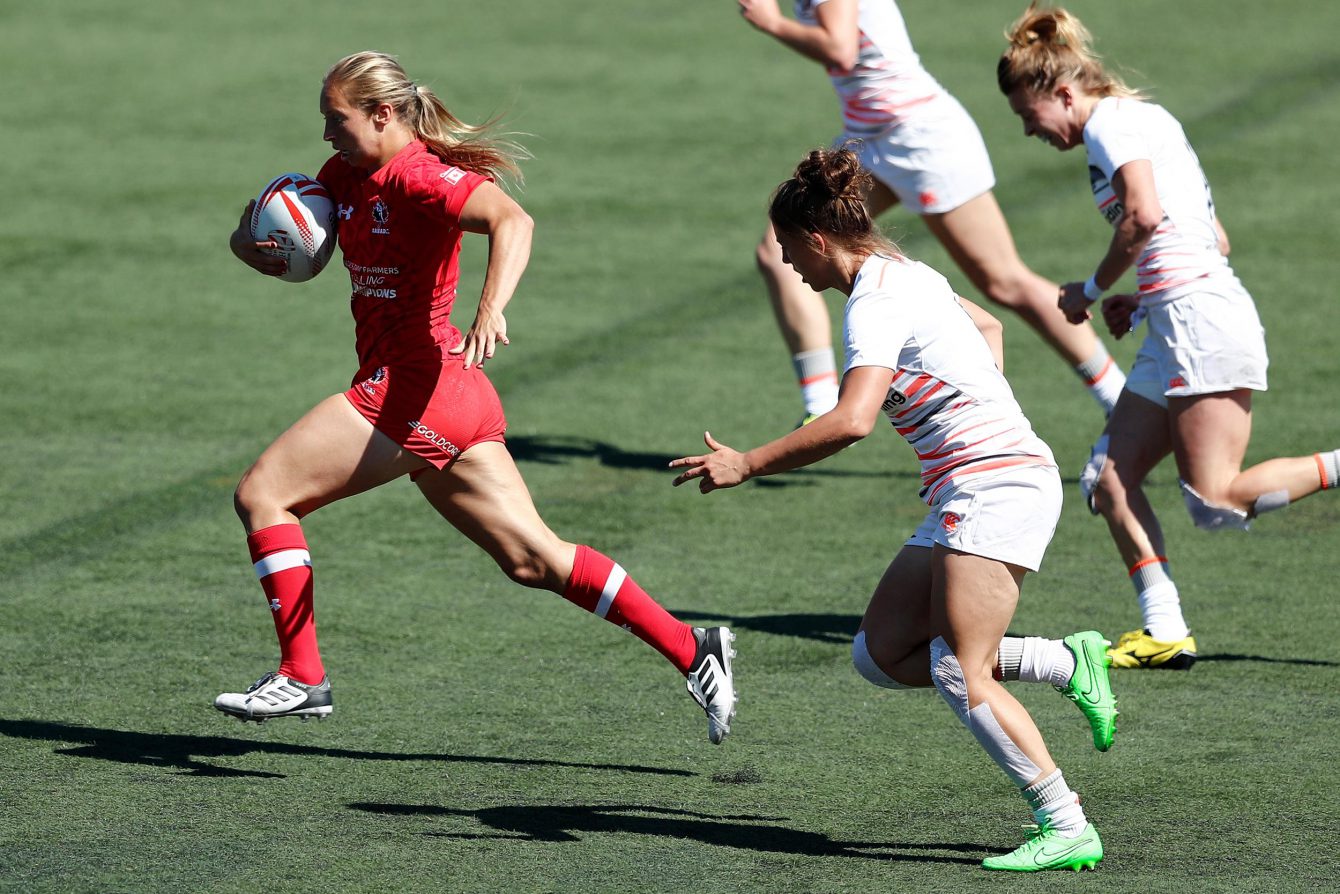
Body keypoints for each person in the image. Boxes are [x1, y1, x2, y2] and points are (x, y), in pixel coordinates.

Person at [216, 51, 737, 745]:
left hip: (414, 389)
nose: (324, 135)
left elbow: (512, 221)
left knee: (263, 494)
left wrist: (491, 307)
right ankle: (693, 649)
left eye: (334, 119)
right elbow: (290, 253)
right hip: (448, 397)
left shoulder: (421, 177)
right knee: (534, 560)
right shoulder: (342, 176)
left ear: (381, 114)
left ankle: (303, 676)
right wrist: (254, 236)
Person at [671, 146, 1115, 871]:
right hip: (970, 482)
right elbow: (990, 330)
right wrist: (964, 425)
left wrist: (747, 462)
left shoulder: (875, 301)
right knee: (880, 654)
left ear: (817, 239)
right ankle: (1063, 661)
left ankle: (1066, 824)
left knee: (957, 671)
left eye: (789, 250)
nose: (787, 267)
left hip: (994, 487)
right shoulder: (908, 274)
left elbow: (852, 421)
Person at [997, 4, 1340, 669]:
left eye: (1026, 115)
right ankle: (1165, 630)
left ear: (1062, 93)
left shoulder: (1111, 126)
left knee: (1216, 499)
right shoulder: (1144, 120)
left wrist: (1090, 293)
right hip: (1181, 312)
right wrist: (1144, 296)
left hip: (1200, 319)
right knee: (1109, 480)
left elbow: (1144, 217)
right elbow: (1210, 236)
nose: (1027, 131)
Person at [736, 0, 1126, 425]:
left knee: (1004, 281)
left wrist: (773, 23)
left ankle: (1118, 399)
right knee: (781, 249)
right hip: (869, 142)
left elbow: (840, 48)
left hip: (922, 137)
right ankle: (820, 405)